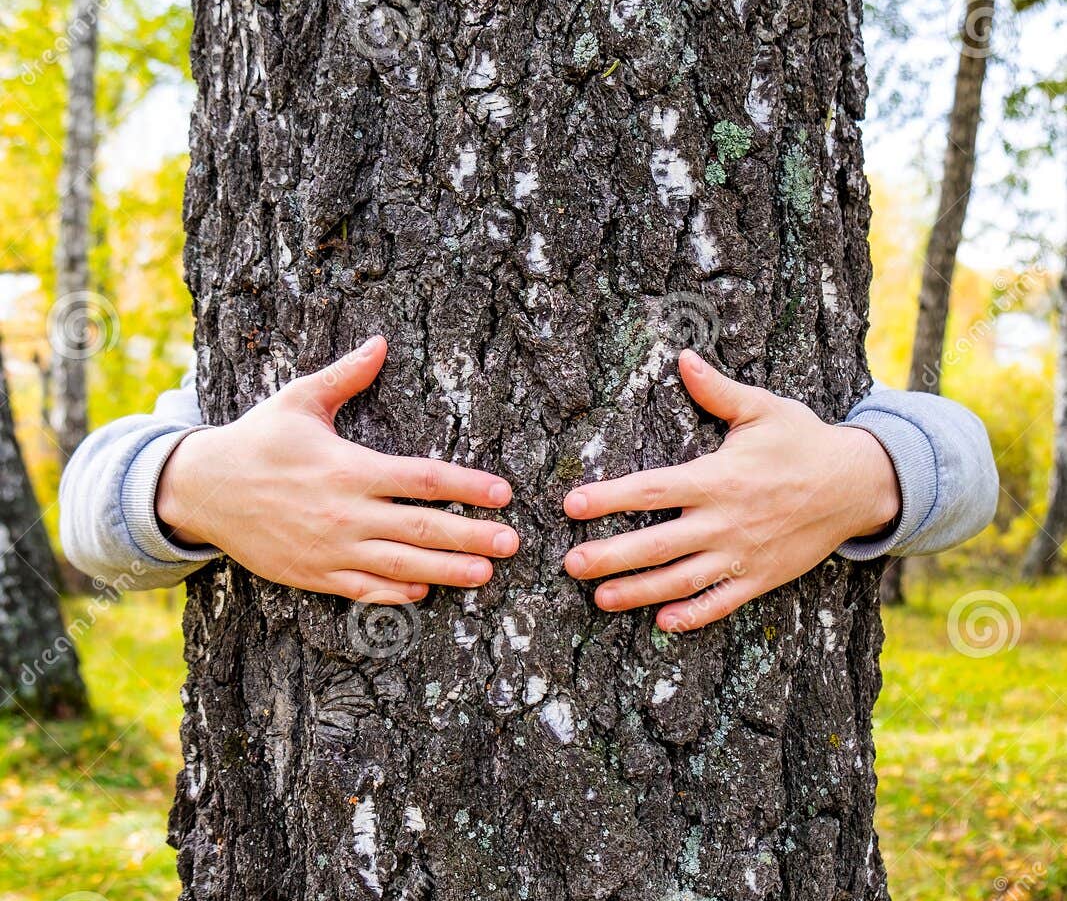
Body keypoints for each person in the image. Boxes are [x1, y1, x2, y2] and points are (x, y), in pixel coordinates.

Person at [60, 336, 999, 632]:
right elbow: (86, 513)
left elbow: (968, 464)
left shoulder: (794, 368)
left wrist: (859, 474)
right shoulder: (247, 378)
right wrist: (192, 482)